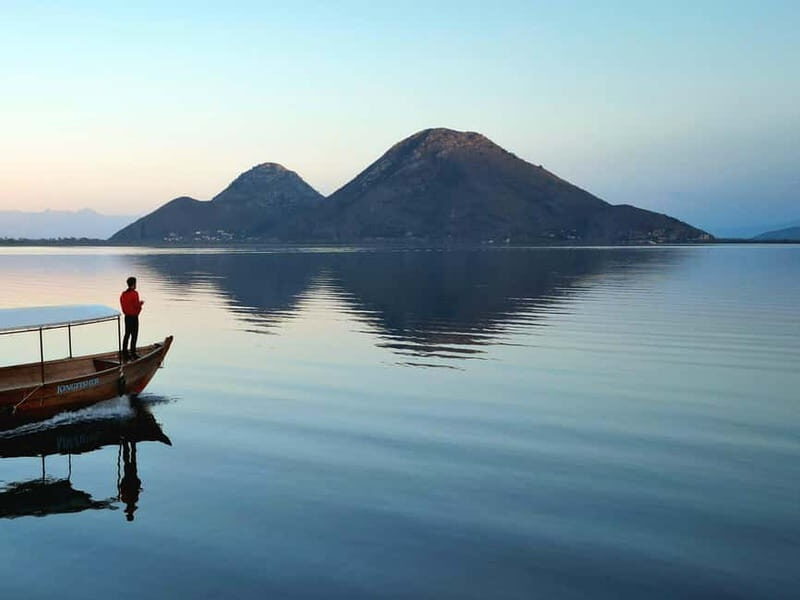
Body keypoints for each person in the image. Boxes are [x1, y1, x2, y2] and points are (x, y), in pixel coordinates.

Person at [120, 276, 144, 360]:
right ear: (133, 284)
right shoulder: (134, 293)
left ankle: (125, 353)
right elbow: (136, 305)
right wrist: (140, 304)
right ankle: (133, 353)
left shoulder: (123, 294)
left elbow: (125, 305)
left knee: (127, 334)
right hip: (133, 317)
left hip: (127, 317)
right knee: (134, 335)